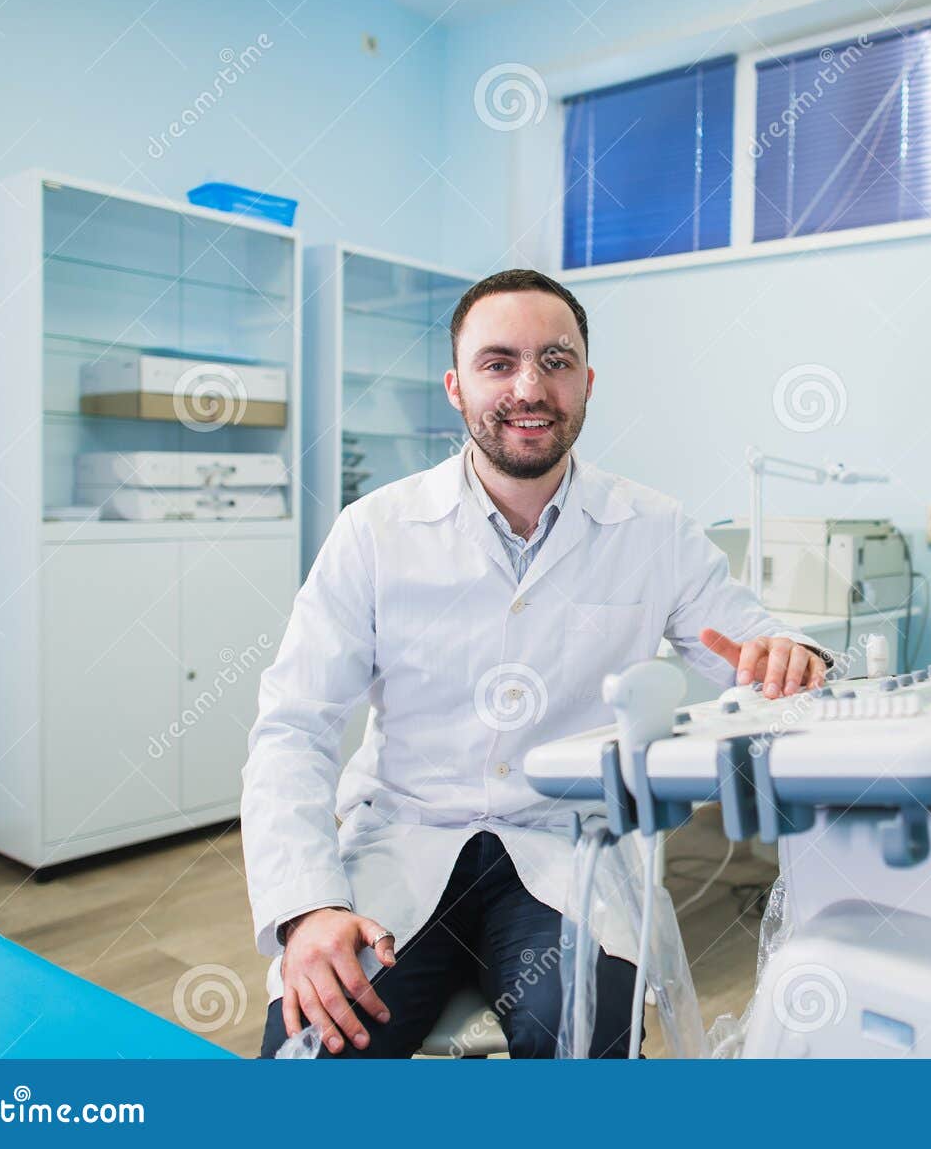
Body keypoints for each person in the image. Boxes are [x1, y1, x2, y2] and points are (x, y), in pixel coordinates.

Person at [243, 269, 829, 1058]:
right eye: (498, 363)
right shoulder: (375, 532)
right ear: (456, 386)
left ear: (586, 382)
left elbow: (753, 650)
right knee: (313, 1047)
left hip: (567, 849)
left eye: (555, 361)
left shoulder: (652, 529)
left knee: (579, 1035)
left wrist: (788, 657)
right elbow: (293, 726)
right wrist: (308, 907)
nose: (529, 386)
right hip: (405, 840)